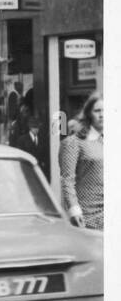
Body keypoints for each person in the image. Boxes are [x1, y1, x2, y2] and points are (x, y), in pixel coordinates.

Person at [59, 92, 103, 229]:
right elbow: (67, 180)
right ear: (89, 113)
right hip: (88, 217)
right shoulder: (74, 142)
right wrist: (74, 210)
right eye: (97, 111)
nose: (102, 115)